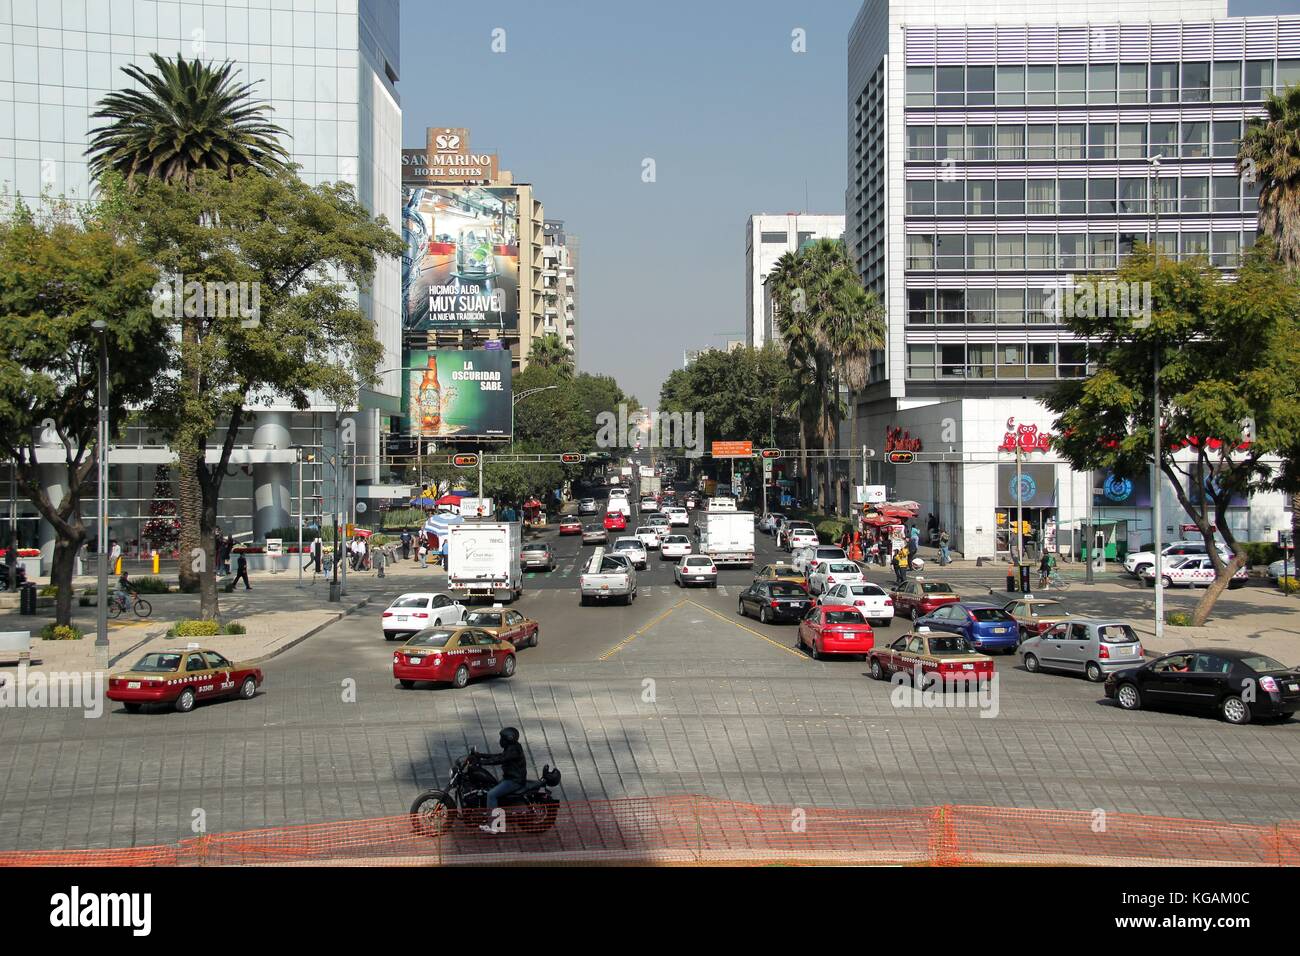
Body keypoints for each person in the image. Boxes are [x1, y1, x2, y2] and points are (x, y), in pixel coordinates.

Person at [477, 727, 527, 832]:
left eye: (502, 738)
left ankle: (493, 826)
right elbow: (498, 755)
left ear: (508, 739)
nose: (500, 741)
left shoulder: (514, 750)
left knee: (491, 794)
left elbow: (500, 759)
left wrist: (482, 763)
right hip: (509, 778)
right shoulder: (511, 747)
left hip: (514, 781)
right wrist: (480, 756)